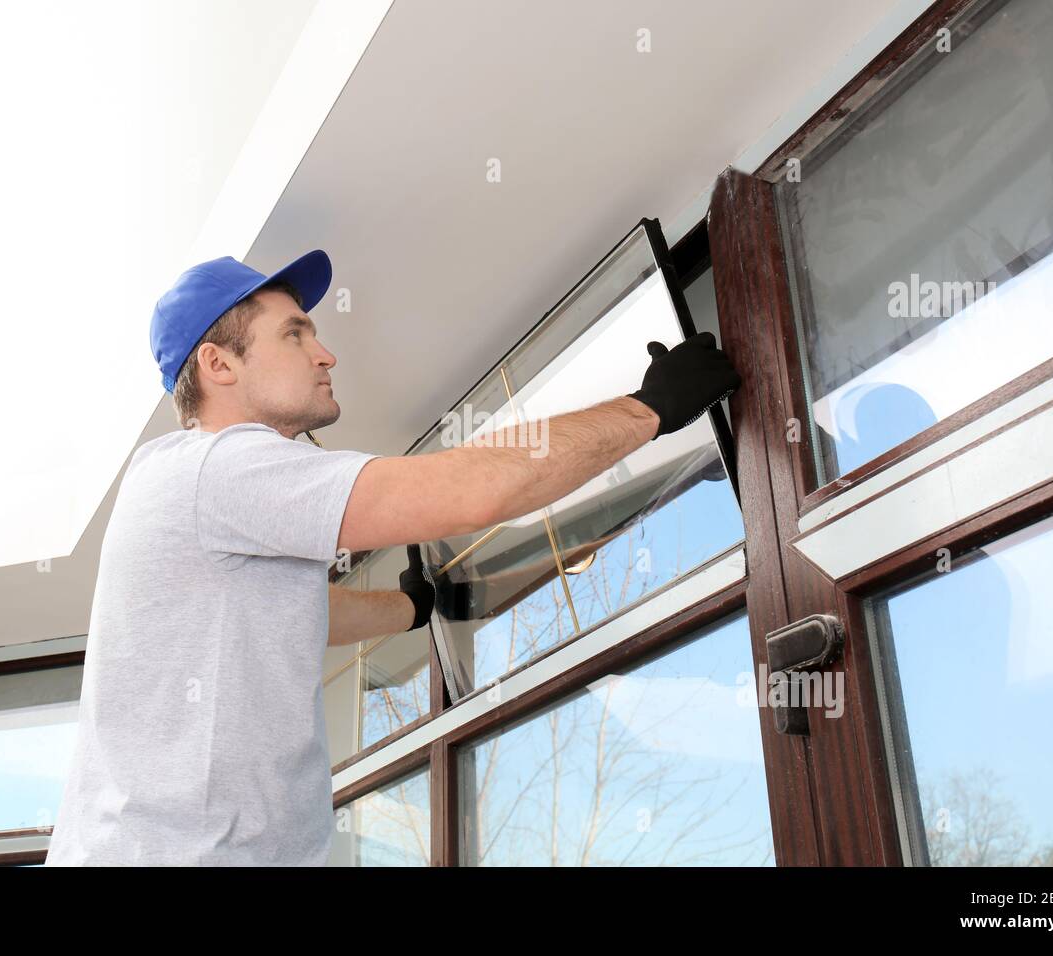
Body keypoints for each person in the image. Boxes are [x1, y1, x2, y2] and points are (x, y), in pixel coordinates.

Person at [45, 250, 740, 865]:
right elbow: (472, 489)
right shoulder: (214, 467)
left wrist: (413, 609)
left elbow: (301, 613)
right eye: (295, 333)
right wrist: (650, 409)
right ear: (218, 363)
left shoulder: (193, 496)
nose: (326, 354)